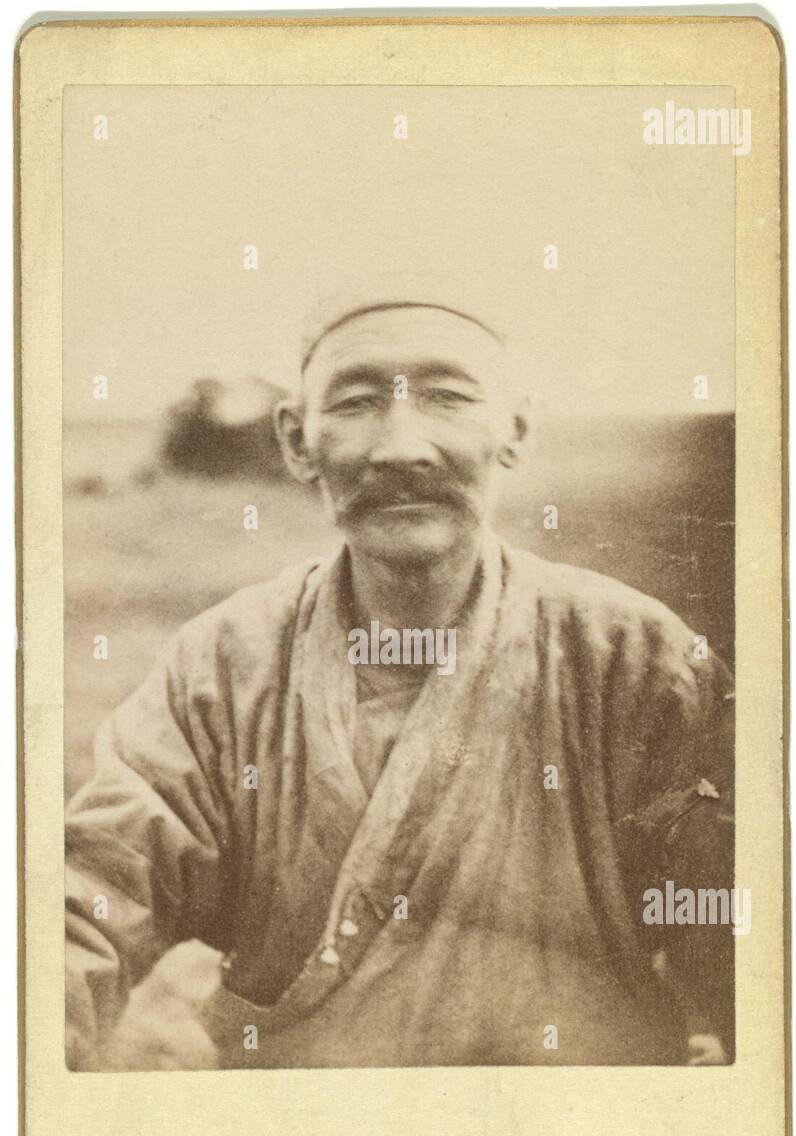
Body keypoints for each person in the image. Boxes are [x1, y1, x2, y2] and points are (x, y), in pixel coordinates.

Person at [65, 289, 735, 1070]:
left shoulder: (632, 658)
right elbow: (86, 902)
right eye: (353, 402)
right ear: (295, 440)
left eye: (447, 398)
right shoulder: (219, 667)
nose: (400, 448)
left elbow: (749, 939)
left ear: (513, 428)